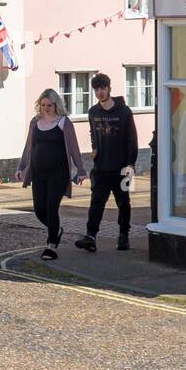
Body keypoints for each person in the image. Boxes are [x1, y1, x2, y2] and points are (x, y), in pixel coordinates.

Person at [16, 89, 86, 259]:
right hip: (39, 173)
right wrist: (21, 167)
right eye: (43, 105)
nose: (46, 108)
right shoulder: (35, 122)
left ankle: (51, 245)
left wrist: (81, 170)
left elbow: (74, 148)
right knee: (39, 210)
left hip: (58, 174)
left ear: (56, 105)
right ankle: (56, 230)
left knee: (51, 208)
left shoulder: (63, 122)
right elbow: (28, 147)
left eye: (49, 105)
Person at [75, 73, 138, 252]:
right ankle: (90, 237)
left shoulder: (124, 112)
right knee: (96, 203)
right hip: (101, 168)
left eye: (103, 88)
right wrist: (94, 148)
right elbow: (92, 132)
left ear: (109, 88)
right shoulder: (93, 112)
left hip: (123, 168)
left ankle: (124, 235)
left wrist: (131, 164)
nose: (100, 92)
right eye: (97, 89)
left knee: (124, 203)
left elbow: (132, 139)